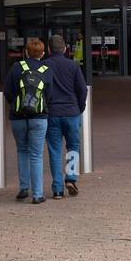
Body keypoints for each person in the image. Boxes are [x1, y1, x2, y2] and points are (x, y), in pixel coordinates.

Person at [5, 37, 53, 204]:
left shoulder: (17, 67)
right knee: (36, 155)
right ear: (43, 53)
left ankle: (24, 188)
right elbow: (49, 95)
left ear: (26, 52)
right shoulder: (47, 69)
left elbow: (7, 92)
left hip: (17, 117)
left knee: (22, 151)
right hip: (39, 118)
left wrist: (18, 105)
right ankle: (38, 194)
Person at [44, 34, 87, 199]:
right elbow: (82, 89)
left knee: (54, 150)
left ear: (48, 49)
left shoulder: (44, 66)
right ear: (65, 49)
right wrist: (79, 107)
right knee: (73, 147)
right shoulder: (73, 66)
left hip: (52, 113)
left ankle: (57, 189)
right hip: (72, 112)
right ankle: (71, 179)